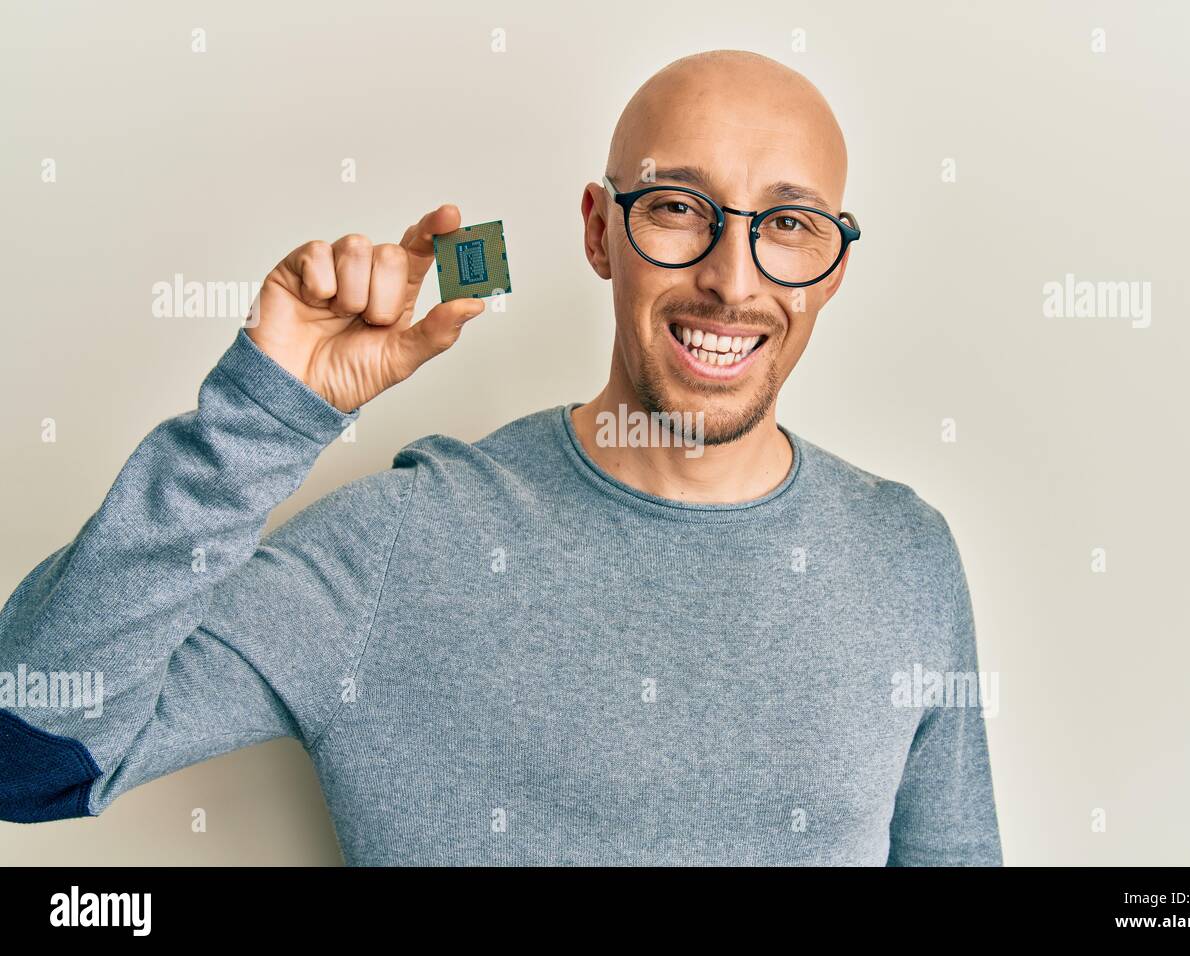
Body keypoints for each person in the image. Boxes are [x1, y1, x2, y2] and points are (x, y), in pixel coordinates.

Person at [0, 49, 1001, 865]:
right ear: (599, 233)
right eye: (676, 207)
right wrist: (262, 416)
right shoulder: (399, 546)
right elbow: (28, 755)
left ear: (831, 269)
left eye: (787, 225)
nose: (729, 280)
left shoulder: (904, 553)